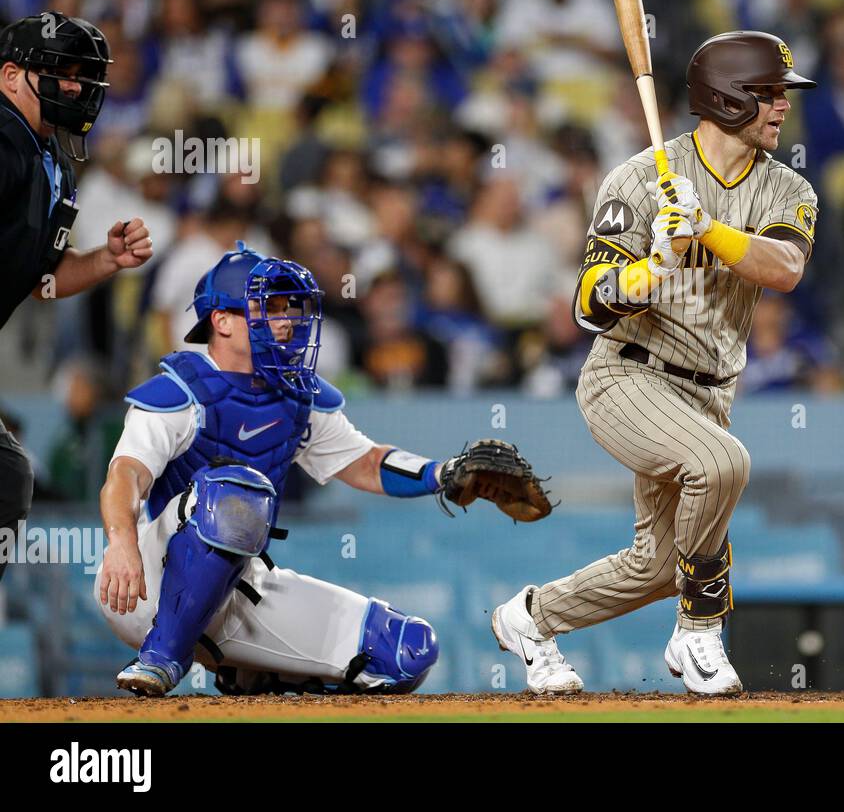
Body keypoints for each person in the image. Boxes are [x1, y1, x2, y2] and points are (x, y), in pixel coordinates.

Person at [492, 30, 818, 696]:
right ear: (728, 100)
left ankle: (528, 618)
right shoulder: (639, 179)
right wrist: (654, 266)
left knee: (656, 566)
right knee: (722, 462)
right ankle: (699, 630)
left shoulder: (789, 188)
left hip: (708, 393)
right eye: (770, 95)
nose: (783, 106)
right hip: (627, 375)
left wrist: (709, 231)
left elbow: (784, 268)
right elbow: (589, 302)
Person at [94, 243, 532, 696]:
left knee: (405, 651)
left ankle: (253, 671)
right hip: (148, 582)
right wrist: (122, 543)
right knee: (233, 492)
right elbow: (125, 475)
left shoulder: (296, 394)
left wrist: (443, 473)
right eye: (267, 307)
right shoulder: (180, 389)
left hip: (238, 588)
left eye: (287, 306)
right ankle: (161, 655)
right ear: (221, 322)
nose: (284, 319)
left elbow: (366, 463)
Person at [0, 11, 153, 582]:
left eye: (81, 75)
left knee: (7, 477)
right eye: (60, 72)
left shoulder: (53, 160)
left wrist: (105, 260)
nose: (74, 86)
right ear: (12, 76)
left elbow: (42, 282)